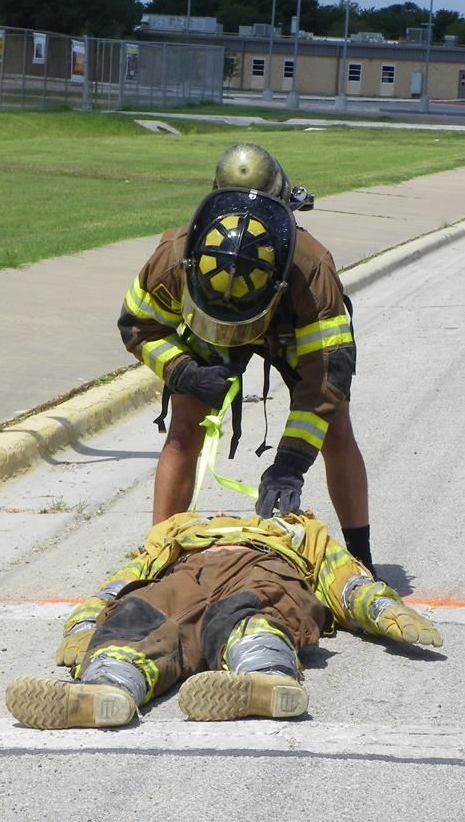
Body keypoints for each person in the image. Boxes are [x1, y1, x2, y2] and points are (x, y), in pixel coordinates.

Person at [117, 144, 376, 572]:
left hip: (286, 325)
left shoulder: (311, 273)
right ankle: (157, 555)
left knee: (336, 428)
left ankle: (361, 558)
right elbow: (138, 326)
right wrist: (185, 373)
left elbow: (326, 379)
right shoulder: (175, 255)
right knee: (185, 427)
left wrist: (290, 465)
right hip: (207, 325)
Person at [4, 511, 443, 729]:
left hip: (262, 567)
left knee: (246, 617)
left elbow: (344, 579)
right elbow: (124, 580)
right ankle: (105, 692)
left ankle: (267, 681)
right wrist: (85, 626)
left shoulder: (299, 530)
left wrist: (385, 609)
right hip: (187, 574)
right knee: (138, 617)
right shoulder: (181, 531)